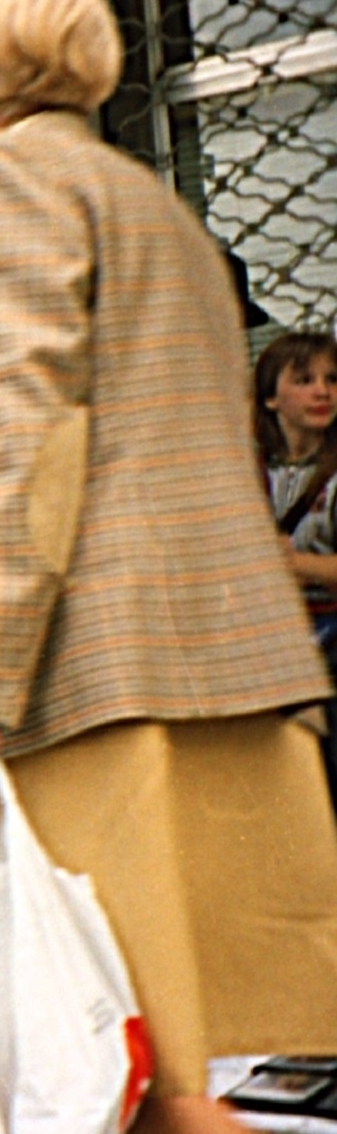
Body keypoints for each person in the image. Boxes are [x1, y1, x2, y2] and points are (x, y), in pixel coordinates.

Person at [0, 0, 337, 1134]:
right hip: (215, 685)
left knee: (117, 1052)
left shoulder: (2, 186)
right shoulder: (155, 209)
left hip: (91, 690)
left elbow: (22, 437)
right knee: (150, 1055)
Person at [256, 331, 337, 794]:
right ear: (271, 398)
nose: (323, 391)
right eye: (304, 379)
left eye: (331, 379)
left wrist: (297, 565)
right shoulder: (251, 475)